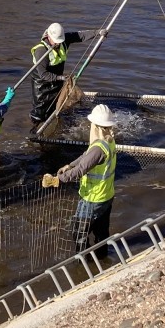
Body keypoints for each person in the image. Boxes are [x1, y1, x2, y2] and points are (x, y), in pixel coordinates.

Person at [43, 103, 118, 252]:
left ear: (95, 126)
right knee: (101, 231)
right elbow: (86, 157)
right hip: (106, 195)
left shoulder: (98, 148)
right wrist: (69, 165)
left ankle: (84, 261)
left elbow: (81, 170)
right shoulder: (108, 142)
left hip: (93, 198)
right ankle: (102, 258)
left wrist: (57, 180)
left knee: (78, 233)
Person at [29, 22, 99, 124]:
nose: (57, 44)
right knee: (40, 112)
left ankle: (52, 120)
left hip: (57, 81)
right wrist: (61, 78)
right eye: (55, 41)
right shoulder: (41, 51)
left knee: (55, 106)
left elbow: (79, 36)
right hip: (42, 86)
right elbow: (43, 75)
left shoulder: (63, 41)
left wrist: (97, 33)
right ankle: (36, 126)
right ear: (48, 36)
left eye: (59, 41)